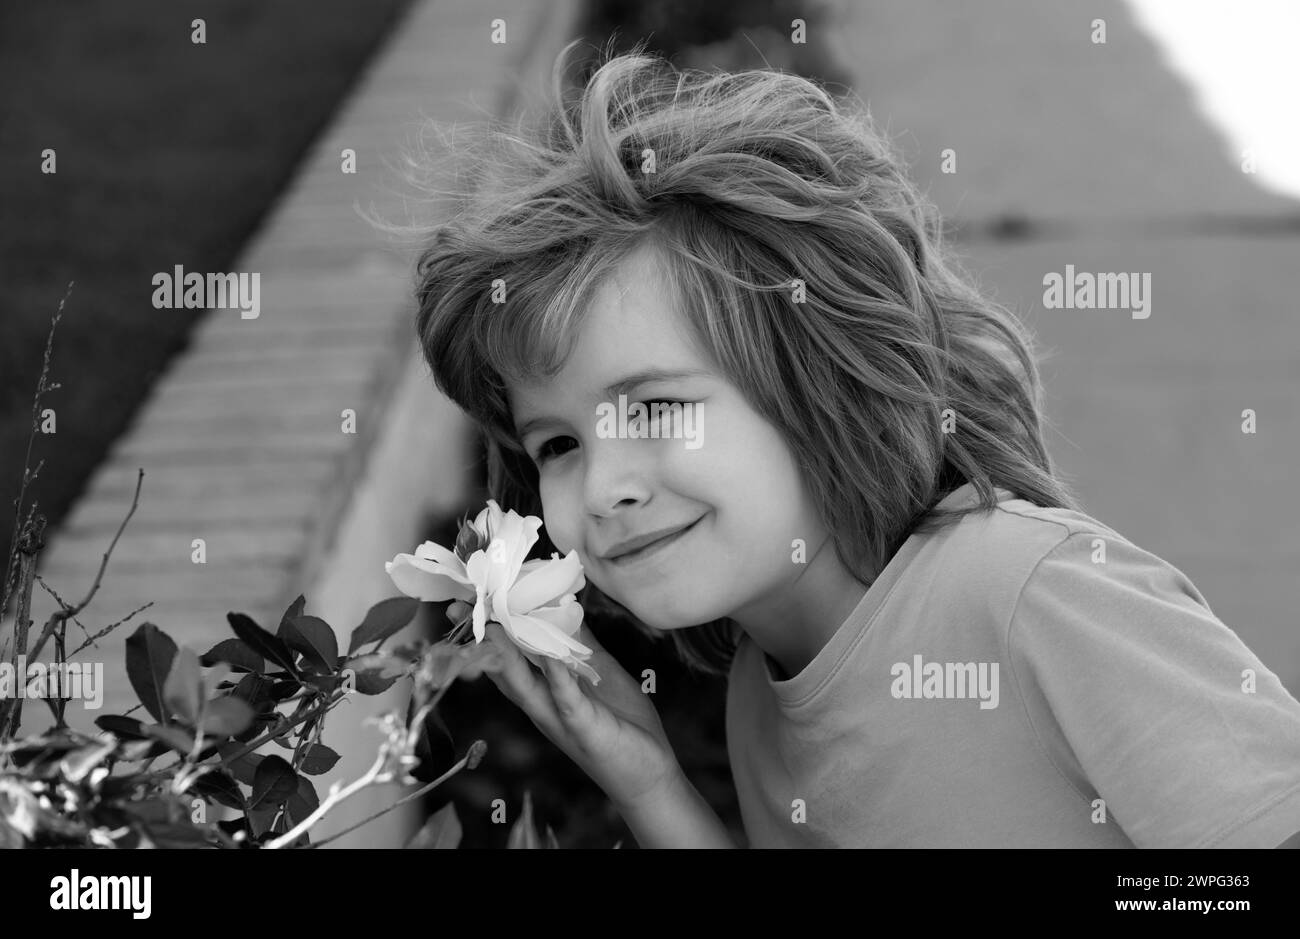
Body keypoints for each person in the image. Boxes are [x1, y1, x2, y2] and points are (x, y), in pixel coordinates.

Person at [404, 45, 1300, 847]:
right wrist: (652, 785)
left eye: (654, 409)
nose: (602, 487)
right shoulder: (764, 691)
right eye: (558, 442)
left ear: (816, 379)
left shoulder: (1029, 591)